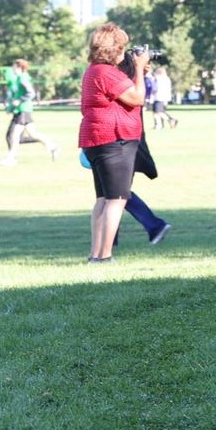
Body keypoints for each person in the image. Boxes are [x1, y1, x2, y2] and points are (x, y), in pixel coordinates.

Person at [80, 24, 150, 263]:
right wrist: (139, 68)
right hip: (115, 139)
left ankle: (95, 254)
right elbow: (138, 98)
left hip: (97, 139)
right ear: (115, 49)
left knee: (103, 199)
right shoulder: (106, 73)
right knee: (117, 199)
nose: (126, 51)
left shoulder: (95, 70)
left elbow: (126, 91)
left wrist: (138, 71)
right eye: (123, 47)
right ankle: (104, 256)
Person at [0, 59, 59, 164]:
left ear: (20, 68)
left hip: (23, 110)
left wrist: (19, 101)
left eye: (14, 67)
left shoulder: (22, 78)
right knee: (32, 134)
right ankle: (53, 147)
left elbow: (31, 93)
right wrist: (11, 108)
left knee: (14, 135)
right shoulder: (18, 78)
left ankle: (11, 158)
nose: (13, 69)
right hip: (23, 110)